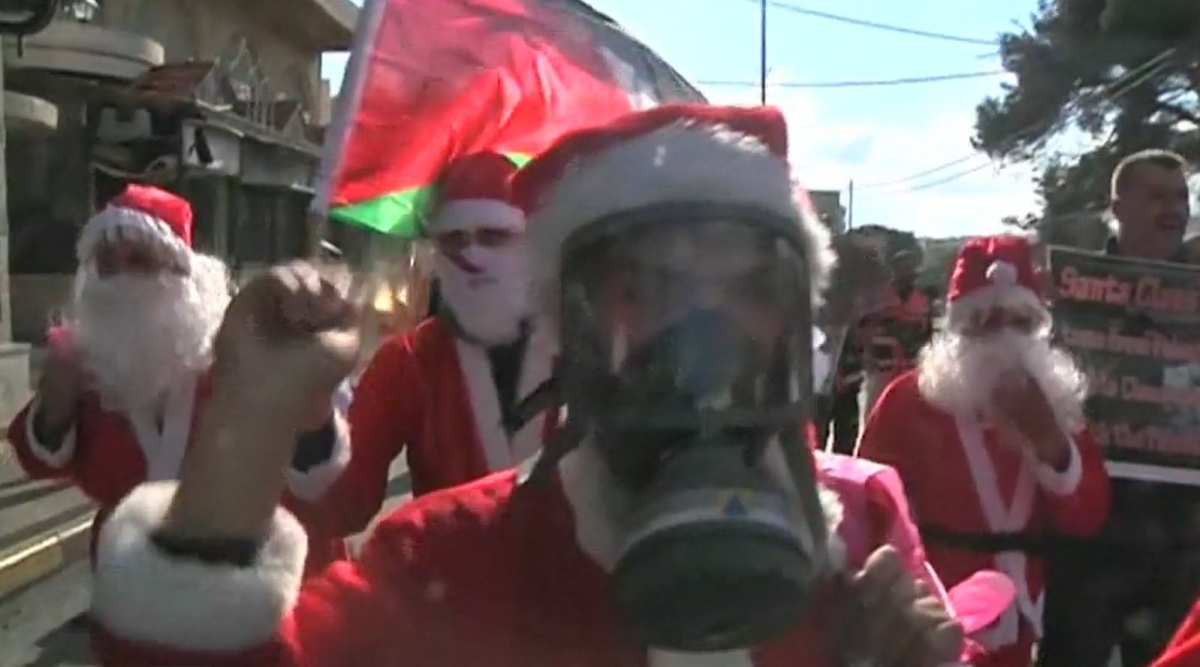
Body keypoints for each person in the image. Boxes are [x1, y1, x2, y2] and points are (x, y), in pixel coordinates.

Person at [84, 105, 986, 667]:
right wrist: (255, 419)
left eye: (749, 284)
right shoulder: (443, 556)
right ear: (572, 322)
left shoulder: (865, 529)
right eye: (650, 284)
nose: (704, 329)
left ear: (796, 314)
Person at [5, 184, 352, 577]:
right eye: (107, 263)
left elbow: (322, 480)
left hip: (252, 585)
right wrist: (55, 405)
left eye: (139, 260)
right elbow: (38, 459)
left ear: (182, 272)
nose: (120, 280)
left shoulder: (245, 348)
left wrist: (309, 405)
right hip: (134, 594)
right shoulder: (89, 363)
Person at [857, 234, 1112, 666]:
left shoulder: (1057, 400)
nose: (1006, 337)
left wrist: (1051, 442)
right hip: (930, 610)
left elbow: (1089, 517)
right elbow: (868, 508)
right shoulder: (909, 400)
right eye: (988, 321)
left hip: (1024, 617)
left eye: (1021, 321)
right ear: (959, 328)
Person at [317, 151, 555, 540]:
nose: (472, 255)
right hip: (450, 588)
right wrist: (314, 417)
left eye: (492, 236)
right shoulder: (409, 360)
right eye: (454, 240)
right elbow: (344, 507)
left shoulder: (583, 345)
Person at [1037, 148, 1198, 667]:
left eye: (1182, 195)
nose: (1174, 207)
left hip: (1183, 537)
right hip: (1089, 530)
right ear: (1118, 205)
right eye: (1157, 195)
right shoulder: (1072, 295)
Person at [856, 248, 933, 435]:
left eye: (910, 268)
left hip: (910, 369)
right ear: (895, 270)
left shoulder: (922, 300)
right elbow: (862, 327)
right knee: (875, 416)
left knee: (906, 419)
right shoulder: (879, 297)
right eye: (902, 268)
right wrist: (867, 355)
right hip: (882, 366)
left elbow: (928, 334)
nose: (907, 272)